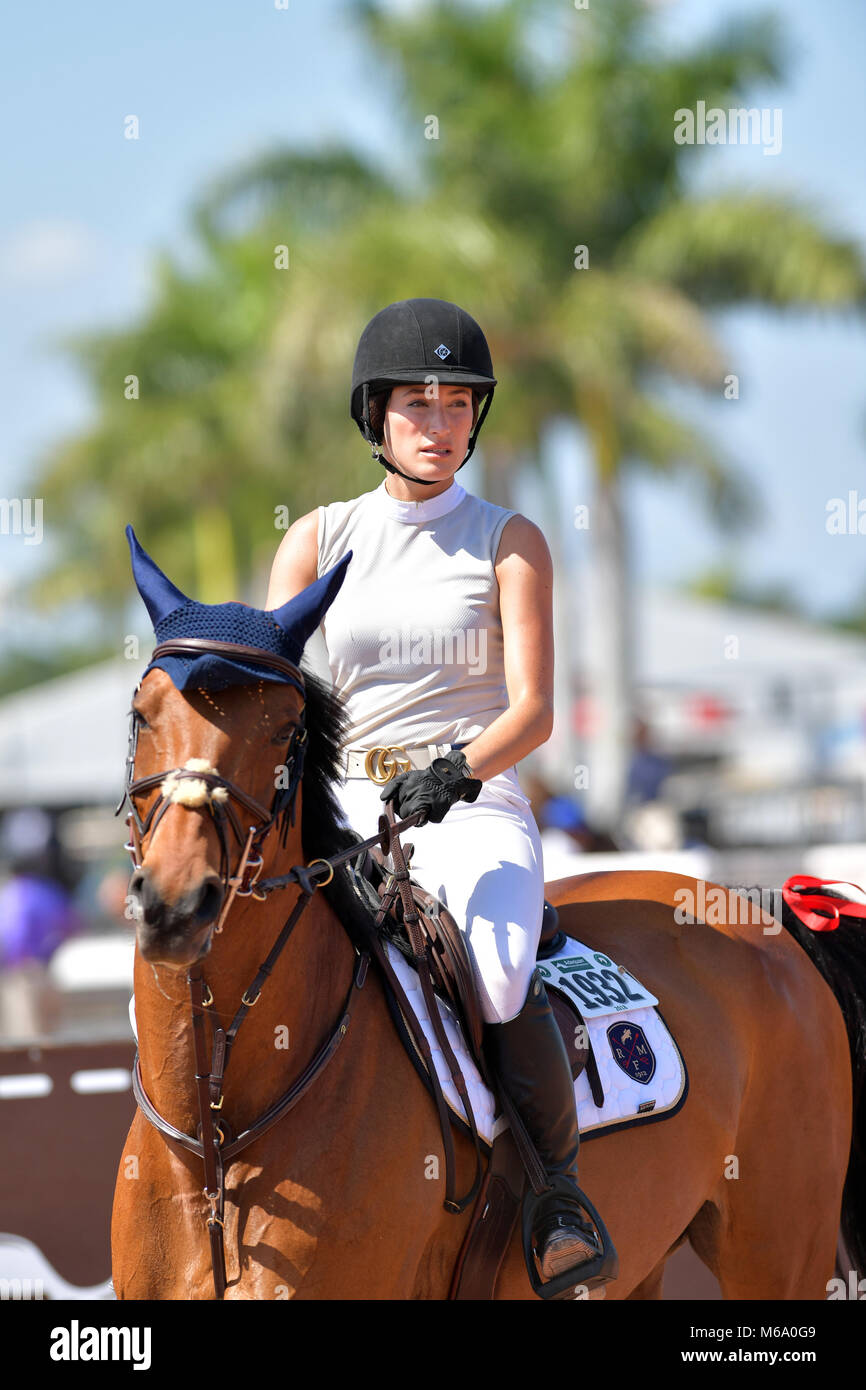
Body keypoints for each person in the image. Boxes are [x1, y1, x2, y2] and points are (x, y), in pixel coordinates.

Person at [266, 297, 611, 1296]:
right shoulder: (316, 539)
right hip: (343, 811)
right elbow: (277, 695)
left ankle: (556, 1198)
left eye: (457, 402)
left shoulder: (509, 539)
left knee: (498, 972)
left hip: (471, 808)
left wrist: (454, 769)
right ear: (375, 415)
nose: (438, 421)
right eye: (416, 402)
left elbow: (536, 708)